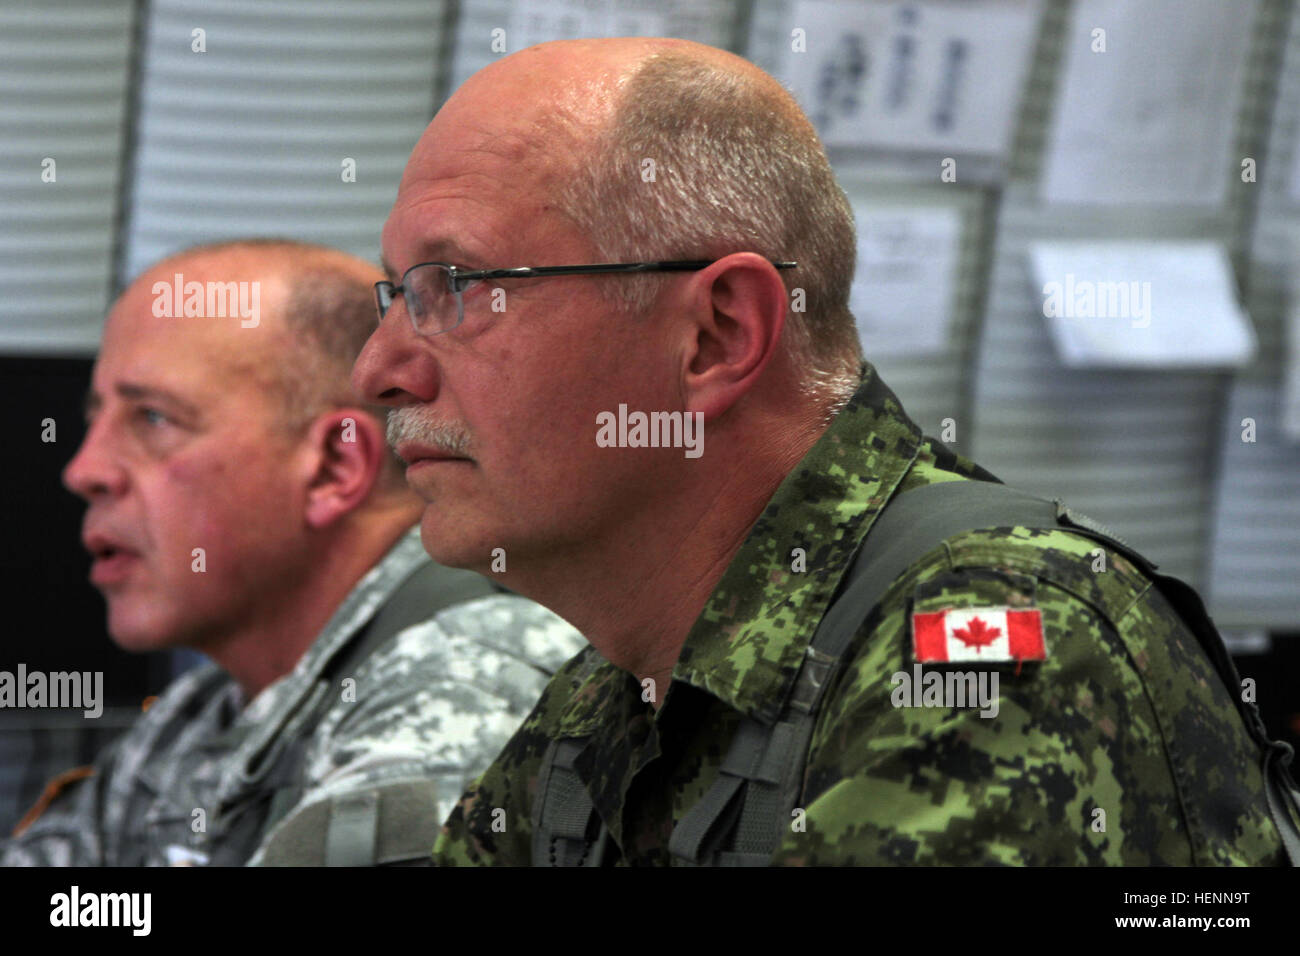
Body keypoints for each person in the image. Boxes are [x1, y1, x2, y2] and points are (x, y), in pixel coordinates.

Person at [351, 38, 1292, 866]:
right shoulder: (613, 694)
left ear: (717, 335)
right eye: (398, 296)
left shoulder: (991, 643)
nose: (379, 369)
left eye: (458, 287)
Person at [1, 239, 585, 866]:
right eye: (96, 420)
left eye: (152, 419)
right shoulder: (203, 712)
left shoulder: (466, 676)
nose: (85, 471)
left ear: (335, 466)